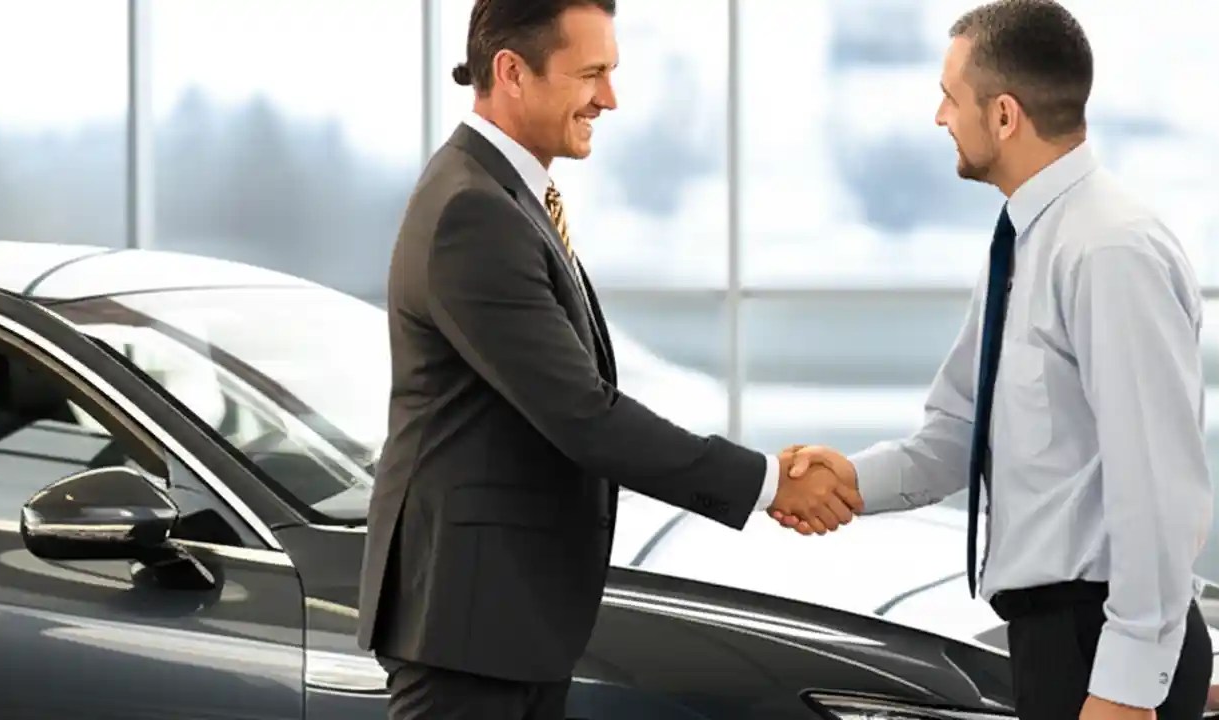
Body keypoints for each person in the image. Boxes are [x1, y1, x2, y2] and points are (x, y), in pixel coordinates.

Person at [355, 2, 857, 718]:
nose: (610, 99)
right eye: (591, 74)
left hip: (501, 621)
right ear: (511, 73)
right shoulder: (476, 213)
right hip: (468, 627)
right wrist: (769, 483)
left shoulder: (503, 197)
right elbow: (585, 415)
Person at [774, 1, 1213, 719]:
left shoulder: (1109, 251)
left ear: (1004, 116)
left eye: (950, 96)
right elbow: (956, 435)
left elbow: (1158, 489)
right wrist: (847, 479)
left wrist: (1126, 687)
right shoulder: (1024, 238)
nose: (939, 116)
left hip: (1108, 651)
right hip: (1053, 642)